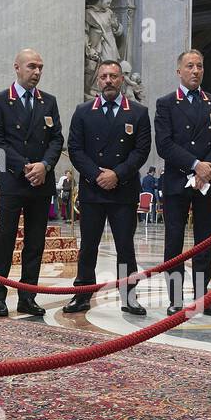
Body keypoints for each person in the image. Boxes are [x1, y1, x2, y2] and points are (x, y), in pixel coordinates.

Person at [63, 60, 153, 316]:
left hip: (123, 190)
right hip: (93, 189)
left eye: (113, 76)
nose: (108, 81)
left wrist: (117, 174)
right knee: (88, 245)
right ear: (97, 80)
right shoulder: (83, 111)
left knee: (125, 246)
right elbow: (75, 149)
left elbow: (141, 151)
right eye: (103, 76)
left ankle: (129, 295)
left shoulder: (138, 112)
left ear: (121, 79)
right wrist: (97, 175)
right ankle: (82, 295)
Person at [0, 48, 64, 318]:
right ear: (16, 67)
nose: (37, 72)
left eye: (40, 67)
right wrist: (26, 166)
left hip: (41, 181)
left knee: (35, 242)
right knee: (5, 238)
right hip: (13, 181)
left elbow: (56, 139)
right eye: (32, 67)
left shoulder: (48, 102)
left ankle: (28, 297)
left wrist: (45, 165)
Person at [154, 49, 211, 316]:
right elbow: (164, 144)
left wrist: (206, 169)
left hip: (207, 182)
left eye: (199, 66)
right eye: (190, 66)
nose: (195, 71)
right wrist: (195, 165)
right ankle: (175, 297)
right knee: (174, 240)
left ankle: (202, 298)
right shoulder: (166, 104)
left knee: (204, 241)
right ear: (179, 71)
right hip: (177, 182)